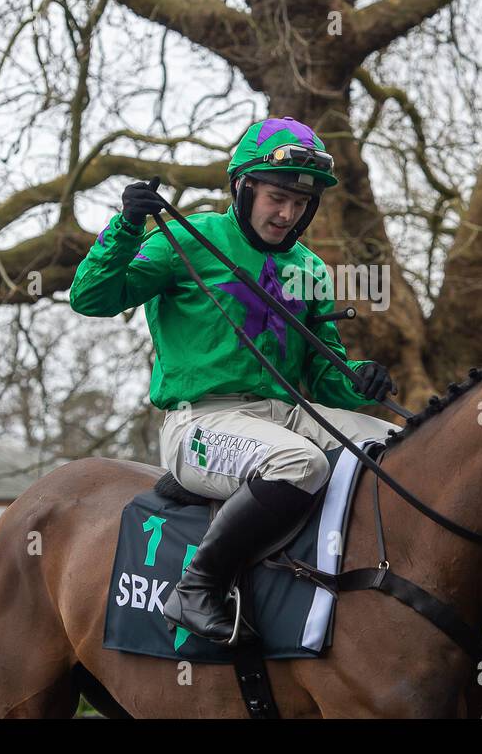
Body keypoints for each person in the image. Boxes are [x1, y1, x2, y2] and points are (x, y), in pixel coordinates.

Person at [70, 116, 397, 643]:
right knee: (300, 463)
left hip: (290, 416)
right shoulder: (187, 240)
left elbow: (325, 376)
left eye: (300, 203)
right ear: (243, 188)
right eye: (276, 197)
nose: (287, 213)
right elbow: (92, 298)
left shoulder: (309, 268)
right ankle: (197, 587)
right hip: (201, 423)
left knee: (395, 447)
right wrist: (126, 228)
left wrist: (360, 379)